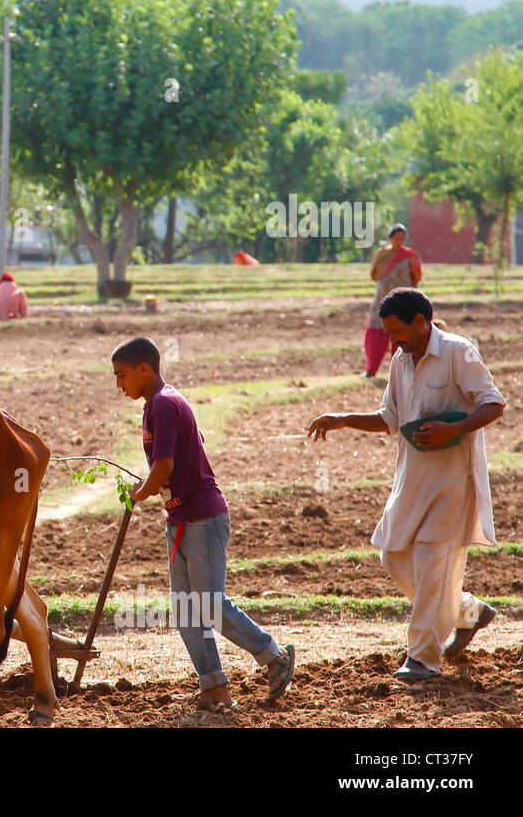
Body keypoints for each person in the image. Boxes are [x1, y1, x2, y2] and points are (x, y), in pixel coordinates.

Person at [307, 289, 506, 681]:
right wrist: (343, 418)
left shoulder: (458, 352)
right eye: (388, 334)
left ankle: (422, 658)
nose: (392, 342)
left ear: (421, 321)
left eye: (397, 332)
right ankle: (467, 611)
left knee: (433, 565)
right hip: (411, 478)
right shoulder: (401, 359)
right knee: (393, 556)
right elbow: (390, 418)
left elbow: (494, 403)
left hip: (452, 482)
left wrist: (455, 427)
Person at [112, 337, 296, 708]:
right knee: (184, 609)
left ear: (144, 369)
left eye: (122, 375)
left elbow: (165, 467)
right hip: (179, 517)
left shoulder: (164, 404)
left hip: (202, 517)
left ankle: (275, 658)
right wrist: (148, 487)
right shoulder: (155, 405)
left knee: (209, 604)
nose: (119, 385)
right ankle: (213, 685)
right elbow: (165, 465)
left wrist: (140, 492)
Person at [363, 224, 421, 378]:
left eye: (402, 238)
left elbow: (417, 277)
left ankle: (400, 371)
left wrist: (414, 266)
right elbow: (374, 274)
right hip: (382, 299)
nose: (399, 241)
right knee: (377, 334)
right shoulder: (382, 254)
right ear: (390, 238)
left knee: (403, 334)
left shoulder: (409, 255)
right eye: (396, 238)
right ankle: (371, 369)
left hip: (403, 301)